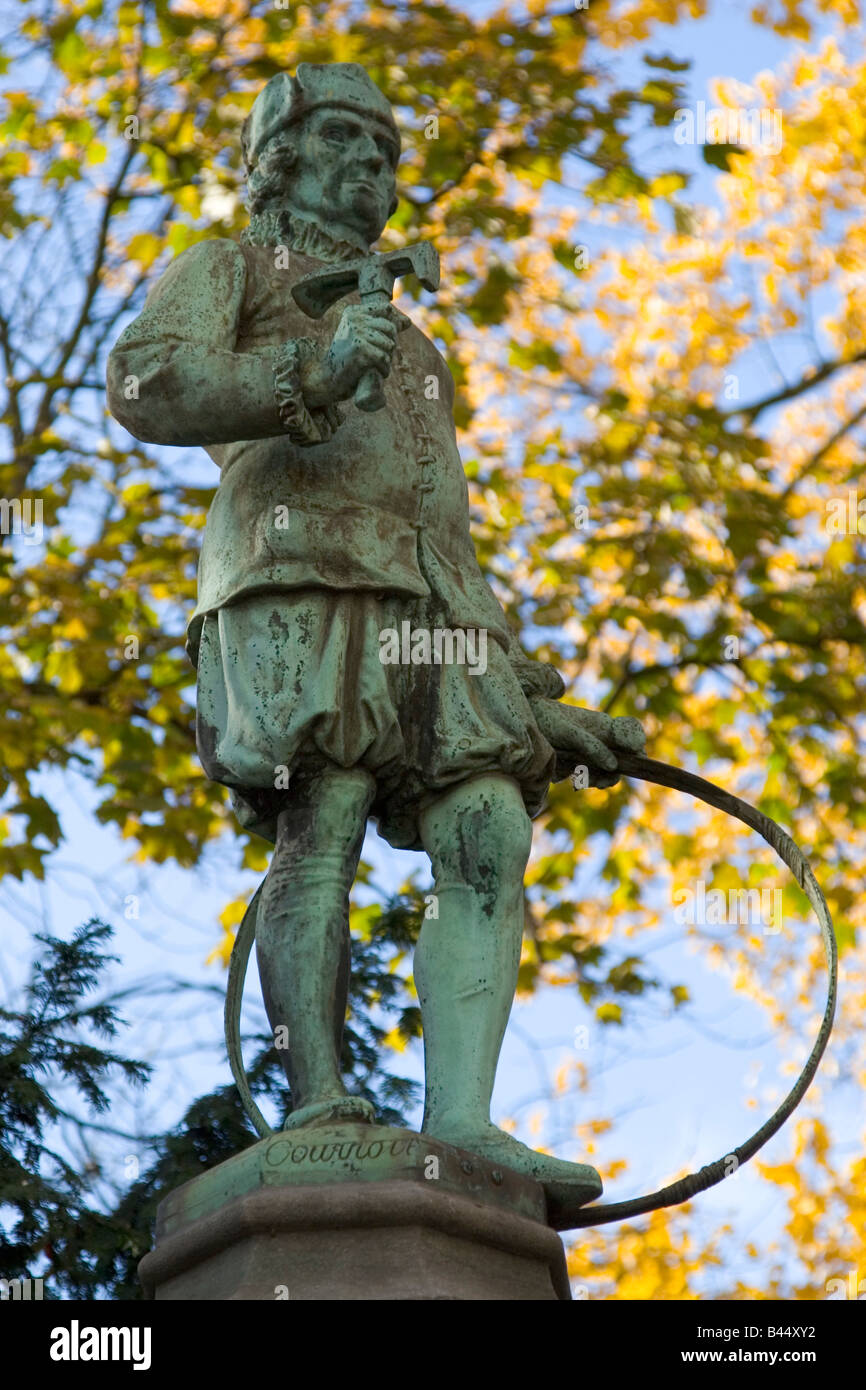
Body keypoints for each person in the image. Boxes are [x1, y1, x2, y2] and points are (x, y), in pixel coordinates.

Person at [107, 62, 644, 1214]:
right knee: (328, 808)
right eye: (345, 136)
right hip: (291, 574)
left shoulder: (417, 350)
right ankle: (318, 1098)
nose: (375, 166)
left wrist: (521, 692)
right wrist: (306, 364)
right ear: (280, 153)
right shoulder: (232, 265)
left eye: (388, 148)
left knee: (489, 821)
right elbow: (145, 382)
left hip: (429, 607)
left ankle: (463, 1123)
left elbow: (441, 521)